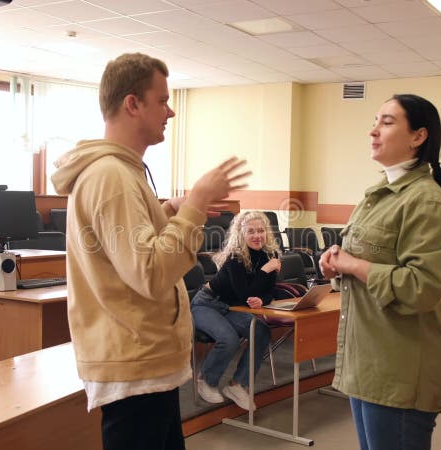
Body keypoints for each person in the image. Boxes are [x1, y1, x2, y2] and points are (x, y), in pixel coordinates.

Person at [51, 52, 250, 450]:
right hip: (132, 365)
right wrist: (194, 205)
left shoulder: (121, 173)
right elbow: (151, 272)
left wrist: (168, 211)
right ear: (132, 104)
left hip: (143, 360)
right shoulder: (111, 177)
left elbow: (124, 248)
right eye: (162, 100)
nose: (171, 111)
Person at [319, 94, 441, 450]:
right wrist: (337, 263)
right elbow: (370, 259)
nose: (373, 131)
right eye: (375, 121)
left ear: (418, 136)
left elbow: (422, 287)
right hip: (369, 363)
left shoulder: (425, 200)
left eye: (386, 122)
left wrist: (353, 264)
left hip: (399, 371)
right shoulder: (380, 194)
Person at [190, 211, 281, 410]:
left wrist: (261, 300)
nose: (257, 236)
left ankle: (238, 384)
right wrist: (265, 271)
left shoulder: (268, 256)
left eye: (261, 230)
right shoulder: (235, 258)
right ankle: (206, 379)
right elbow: (245, 294)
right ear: (241, 234)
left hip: (231, 307)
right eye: (251, 232)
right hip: (207, 304)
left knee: (261, 330)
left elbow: (269, 292)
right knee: (229, 338)